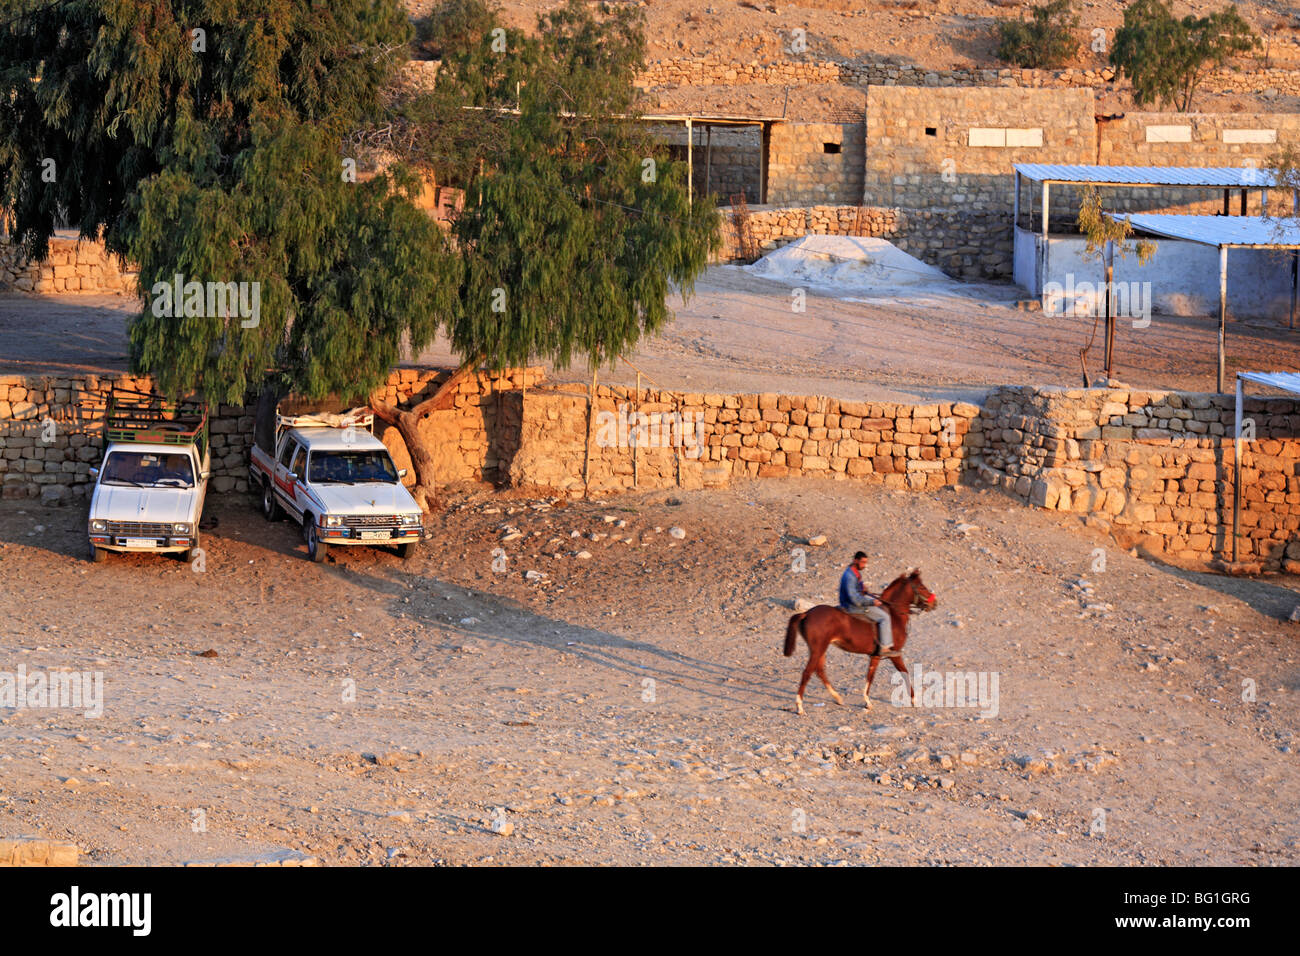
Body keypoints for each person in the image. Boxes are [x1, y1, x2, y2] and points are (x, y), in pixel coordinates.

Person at [838, 550, 897, 656]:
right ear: (855, 560)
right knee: (884, 617)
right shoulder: (849, 576)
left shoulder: (853, 571)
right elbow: (853, 598)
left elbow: (857, 588)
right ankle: (884, 647)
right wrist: (871, 602)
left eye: (865, 562)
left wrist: (863, 588)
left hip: (855, 600)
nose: (864, 565)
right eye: (863, 562)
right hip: (852, 606)